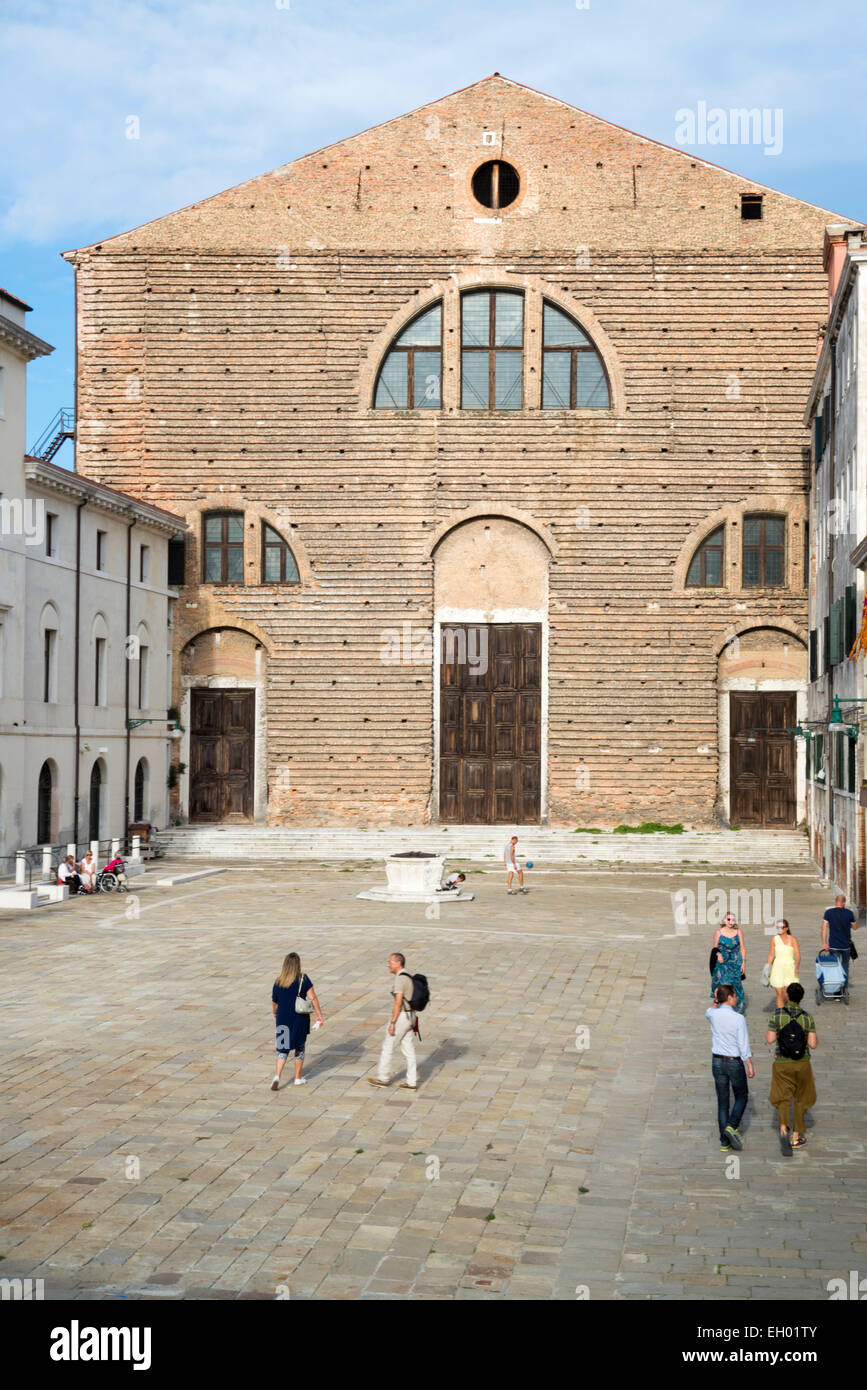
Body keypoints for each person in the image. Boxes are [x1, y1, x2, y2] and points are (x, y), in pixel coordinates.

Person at [766, 981, 818, 1156]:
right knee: (802, 1098)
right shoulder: (807, 1017)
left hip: (782, 1063)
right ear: (801, 998)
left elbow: (770, 1039)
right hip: (802, 1062)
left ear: (787, 995)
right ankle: (796, 1136)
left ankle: (783, 1129)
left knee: (783, 1098)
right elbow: (813, 1044)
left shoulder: (777, 1015)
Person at [706, 983, 755, 1152]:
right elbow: (743, 1044)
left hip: (717, 1061)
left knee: (722, 1101)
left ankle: (724, 1142)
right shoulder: (738, 1018)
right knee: (741, 1096)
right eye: (734, 995)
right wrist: (749, 1064)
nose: (736, 998)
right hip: (734, 1061)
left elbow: (710, 1010)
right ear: (729, 997)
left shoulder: (713, 1014)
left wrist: (716, 998)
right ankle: (731, 1126)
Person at [270, 952, 323, 1090]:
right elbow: (313, 997)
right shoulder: (303, 979)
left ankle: (277, 1076)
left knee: (282, 1049)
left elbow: (275, 1002)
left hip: (282, 1019)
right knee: (299, 1047)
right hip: (299, 1019)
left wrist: (275, 1013)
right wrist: (319, 1015)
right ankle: (298, 1078)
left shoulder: (278, 981)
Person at [368, 952, 417, 1091]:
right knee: (408, 1049)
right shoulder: (408, 976)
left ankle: (383, 1078)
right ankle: (412, 1082)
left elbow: (398, 1002)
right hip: (412, 1016)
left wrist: (393, 1023)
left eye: (390, 962)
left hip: (402, 1017)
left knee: (388, 1046)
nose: (387, 964)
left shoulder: (400, 979)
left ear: (398, 963)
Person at [710, 912, 746, 1013]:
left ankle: (736, 1010)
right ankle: (722, 1008)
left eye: (733, 920)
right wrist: (718, 954)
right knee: (724, 985)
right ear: (725, 920)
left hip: (735, 963)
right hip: (722, 964)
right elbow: (715, 948)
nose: (731, 922)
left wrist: (743, 963)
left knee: (736, 986)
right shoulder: (718, 932)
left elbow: (742, 948)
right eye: (729, 919)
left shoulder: (738, 932)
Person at [821, 893, 857, 987]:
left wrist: (824, 943)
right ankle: (844, 989)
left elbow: (824, 928)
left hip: (833, 945)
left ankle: (836, 991)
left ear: (835, 902)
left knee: (834, 967)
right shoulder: (849, 913)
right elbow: (855, 927)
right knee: (845, 967)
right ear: (844, 903)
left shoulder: (829, 912)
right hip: (846, 946)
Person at [766, 918, 800, 1009]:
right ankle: (780, 1013)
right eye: (778, 927)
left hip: (790, 968)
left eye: (782, 927)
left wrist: (797, 966)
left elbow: (798, 955)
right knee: (779, 993)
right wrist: (767, 968)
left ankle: (790, 1011)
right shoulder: (774, 939)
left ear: (787, 928)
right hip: (777, 968)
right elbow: (771, 955)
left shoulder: (793, 939)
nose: (780, 929)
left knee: (788, 993)